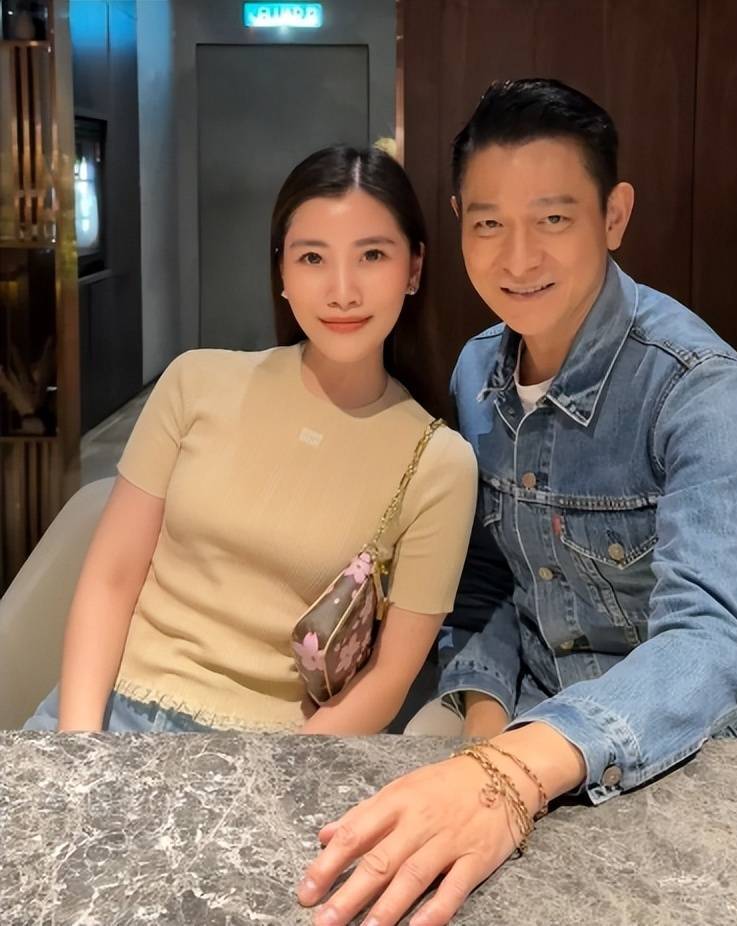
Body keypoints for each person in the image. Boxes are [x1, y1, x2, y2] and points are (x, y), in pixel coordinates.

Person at [296, 80, 737, 926]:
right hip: (531, 742)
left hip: (714, 750)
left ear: (614, 216)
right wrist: (485, 739)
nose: (518, 258)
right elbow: (492, 584)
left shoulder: (700, 389)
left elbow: (717, 637)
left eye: (554, 219)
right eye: (489, 224)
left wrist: (510, 771)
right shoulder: (477, 372)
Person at [24, 145, 477, 735]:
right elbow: (111, 577)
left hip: (267, 751)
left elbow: (387, 679)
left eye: (372, 255)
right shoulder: (194, 382)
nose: (342, 290)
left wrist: (273, 777)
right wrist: (82, 745)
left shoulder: (438, 463)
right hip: (106, 711)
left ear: (413, 269)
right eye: (312, 257)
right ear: (282, 272)